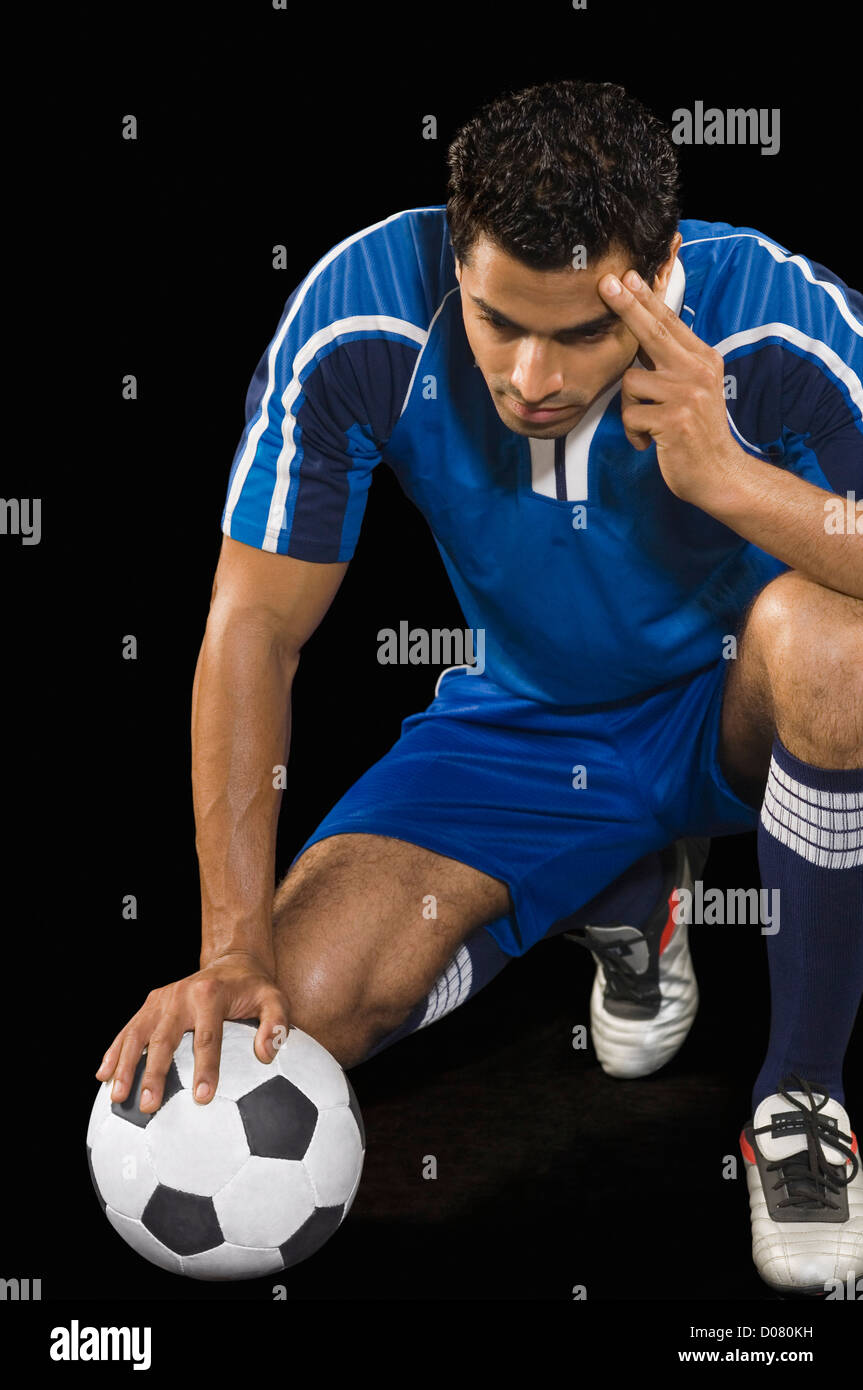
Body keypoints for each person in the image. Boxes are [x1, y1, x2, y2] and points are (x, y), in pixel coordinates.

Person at [96, 79, 862, 1296]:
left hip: (742, 710)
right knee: (282, 1024)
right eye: (498, 319)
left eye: (581, 333)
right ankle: (626, 898)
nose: (530, 375)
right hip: (528, 730)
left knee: (835, 643)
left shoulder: (772, 312)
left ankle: (800, 1095)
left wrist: (729, 476)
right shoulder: (364, 309)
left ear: (660, 275)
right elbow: (252, 626)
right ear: (453, 260)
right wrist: (230, 945)